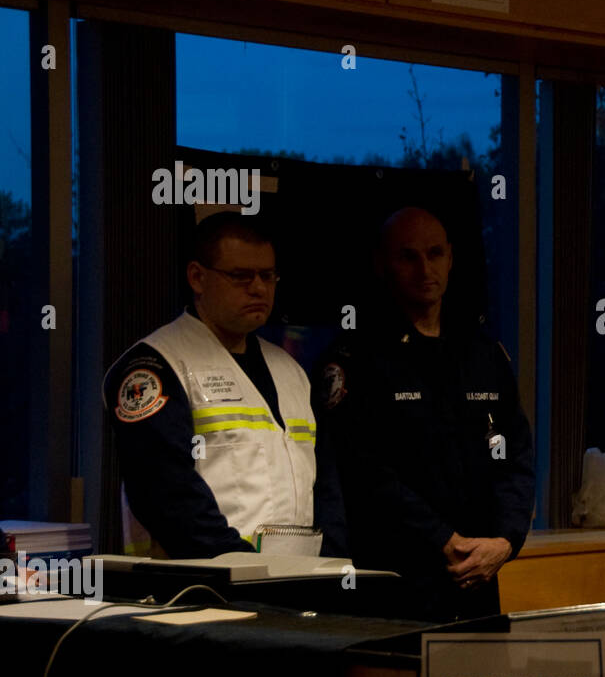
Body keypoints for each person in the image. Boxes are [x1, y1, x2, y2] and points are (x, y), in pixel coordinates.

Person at [314, 206, 534, 622]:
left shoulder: (483, 352)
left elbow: (515, 456)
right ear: (381, 263)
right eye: (408, 256)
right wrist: (443, 539)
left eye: (435, 254)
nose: (424, 268)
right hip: (394, 580)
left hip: (480, 575)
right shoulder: (355, 357)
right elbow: (361, 472)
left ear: (451, 258)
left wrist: (506, 539)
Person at [102, 211, 343, 558]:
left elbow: (326, 487)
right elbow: (168, 496)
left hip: (299, 586)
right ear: (197, 278)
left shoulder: (291, 370)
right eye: (241, 276)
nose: (259, 288)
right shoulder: (155, 367)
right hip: (202, 589)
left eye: (268, 275)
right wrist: (243, 568)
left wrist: (329, 564)